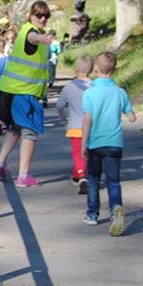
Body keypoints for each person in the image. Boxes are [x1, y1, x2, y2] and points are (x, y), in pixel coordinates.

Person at [0, 0, 55, 187]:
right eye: (39, 15)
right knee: (30, 132)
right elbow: (33, 38)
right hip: (24, 92)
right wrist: (43, 39)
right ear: (31, 15)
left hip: (12, 89)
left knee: (16, 129)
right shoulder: (31, 32)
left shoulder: (25, 29)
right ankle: (23, 175)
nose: (42, 19)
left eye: (46, 16)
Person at [81, 52, 136, 236]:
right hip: (114, 143)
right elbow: (132, 117)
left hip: (95, 143)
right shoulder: (120, 92)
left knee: (93, 178)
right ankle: (115, 209)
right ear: (114, 70)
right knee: (113, 181)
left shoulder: (89, 93)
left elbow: (87, 120)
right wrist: (129, 113)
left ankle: (92, 214)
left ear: (96, 69)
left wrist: (83, 144)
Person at [56, 55, 93, 193]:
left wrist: (63, 118)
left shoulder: (69, 86)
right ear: (91, 69)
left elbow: (60, 105)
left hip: (75, 126)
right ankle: (77, 175)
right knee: (88, 151)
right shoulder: (94, 86)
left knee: (78, 152)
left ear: (76, 68)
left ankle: (81, 175)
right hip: (93, 126)